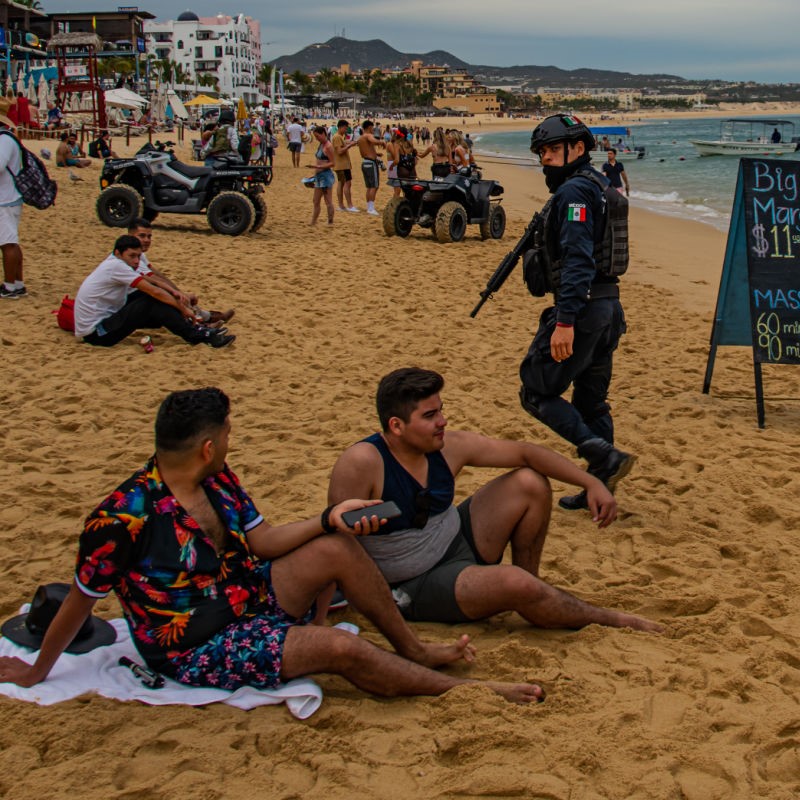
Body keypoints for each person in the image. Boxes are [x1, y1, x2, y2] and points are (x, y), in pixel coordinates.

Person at [0, 387, 544, 705]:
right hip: (195, 643)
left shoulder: (217, 480)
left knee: (336, 547)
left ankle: (412, 647)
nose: (231, 442)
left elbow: (261, 542)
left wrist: (328, 519)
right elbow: (81, 598)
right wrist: (35, 670)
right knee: (340, 650)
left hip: (246, 595)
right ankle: (473, 693)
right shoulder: (121, 517)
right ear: (208, 446)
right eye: (229, 435)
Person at [328, 367, 661, 634]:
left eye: (441, 410)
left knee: (529, 482)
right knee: (513, 584)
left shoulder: (447, 447)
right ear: (396, 426)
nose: (442, 421)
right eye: (430, 416)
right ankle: (609, 619)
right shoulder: (362, 463)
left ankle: (532, 591)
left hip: (456, 542)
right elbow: (335, 546)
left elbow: (525, 452)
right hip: (412, 584)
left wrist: (591, 482)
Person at [519, 114, 633, 512]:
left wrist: (565, 322)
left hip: (584, 312)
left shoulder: (573, 195)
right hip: (609, 309)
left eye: (552, 150)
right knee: (591, 402)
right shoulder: (601, 185)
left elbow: (578, 261)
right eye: (542, 153)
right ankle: (598, 489)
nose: (546, 159)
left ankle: (601, 455)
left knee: (534, 390)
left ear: (578, 148)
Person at [73, 235, 235, 348]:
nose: (136, 261)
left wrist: (175, 292)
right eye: (132, 256)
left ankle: (199, 327)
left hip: (105, 322)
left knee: (156, 300)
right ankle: (200, 335)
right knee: (151, 301)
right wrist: (183, 309)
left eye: (138, 256)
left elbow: (152, 280)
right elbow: (153, 291)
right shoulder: (116, 266)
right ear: (118, 253)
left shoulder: (117, 262)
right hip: (97, 334)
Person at [127, 218, 234, 328]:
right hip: (126, 307)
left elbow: (158, 275)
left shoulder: (138, 254)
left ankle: (203, 318)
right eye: (142, 236)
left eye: (149, 236)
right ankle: (199, 324)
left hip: (135, 299)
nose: (147, 240)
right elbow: (155, 281)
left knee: (169, 295)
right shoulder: (130, 258)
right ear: (130, 236)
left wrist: (179, 293)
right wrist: (179, 296)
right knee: (163, 297)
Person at [0, 98, 26, 300]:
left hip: (5, 199)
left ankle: (10, 287)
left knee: (7, 243)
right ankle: (17, 283)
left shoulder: (4, 140)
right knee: (11, 243)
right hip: (10, 197)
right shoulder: (8, 138)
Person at [308, 126, 335, 226]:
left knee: (328, 201)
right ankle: (313, 221)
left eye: (317, 136)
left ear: (323, 134)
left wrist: (317, 166)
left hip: (326, 176)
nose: (316, 138)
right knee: (316, 200)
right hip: (319, 176)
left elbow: (333, 163)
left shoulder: (328, 146)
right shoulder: (321, 145)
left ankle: (330, 222)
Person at [357, 120, 384, 215]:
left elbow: (366, 150)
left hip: (365, 162)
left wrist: (376, 153)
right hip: (371, 163)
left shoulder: (360, 138)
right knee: (374, 186)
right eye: (372, 128)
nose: (373, 130)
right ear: (369, 127)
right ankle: (371, 208)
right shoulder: (368, 135)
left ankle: (369, 206)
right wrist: (382, 142)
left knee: (369, 187)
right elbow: (373, 140)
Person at [331, 119, 359, 212]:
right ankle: (349, 205)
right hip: (342, 165)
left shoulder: (339, 137)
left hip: (342, 164)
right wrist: (349, 146)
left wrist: (349, 144)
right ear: (341, 127)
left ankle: (341, 205)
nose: (346, 130)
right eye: (345, 128)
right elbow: (339, 151)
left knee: (342, 183)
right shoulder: (337, 137)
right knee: (346, 184)